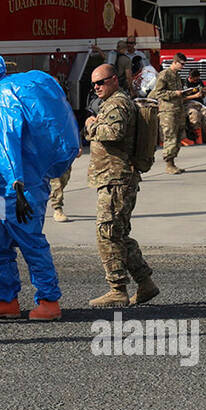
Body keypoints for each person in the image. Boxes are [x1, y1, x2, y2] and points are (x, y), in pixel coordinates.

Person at [0, 52, 78, 321]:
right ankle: (4, 297)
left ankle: (48, 299)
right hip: (7, 191)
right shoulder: (2, 95)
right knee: (0, 242)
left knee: (29, 240)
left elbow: (4, 149)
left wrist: (17, 186)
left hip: (15, 190)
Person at [84, 64, 158, 308]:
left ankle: (117, 289)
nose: (96, 88)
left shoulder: (117, 104)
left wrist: (91, 126)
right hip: (115, 178)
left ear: (114, 80)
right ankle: (145, 283)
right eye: (93, 84)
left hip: (116, 179)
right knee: (118, 234)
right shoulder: (115, 102)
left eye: (101, 82)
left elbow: (114, 132)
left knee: (107, 232)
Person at [148, 53, 198, 174]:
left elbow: (178, 93)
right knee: (170, 136)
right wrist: (175, 94)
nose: (183, 66)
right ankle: (169, 164)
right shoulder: (164, 75)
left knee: (178, 137)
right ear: (174, 62)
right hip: (167, 111)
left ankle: (173, 162)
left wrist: (187, 92)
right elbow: (159, 93)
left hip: (178, 109)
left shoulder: (177, 75)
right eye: (181, 64)